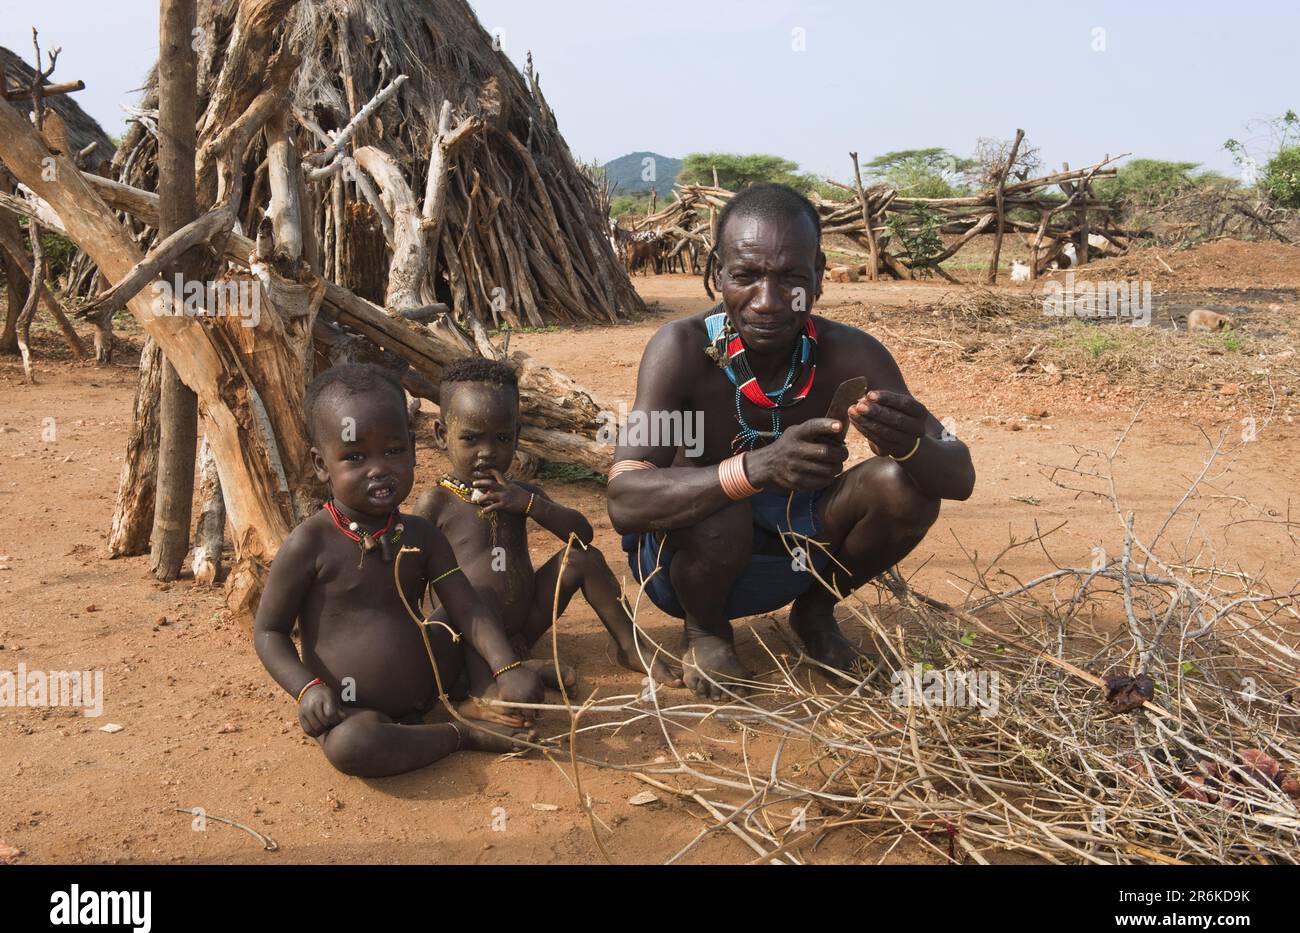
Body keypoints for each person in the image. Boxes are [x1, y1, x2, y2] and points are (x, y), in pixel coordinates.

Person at [607, 183, 976, 700]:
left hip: (802, 549)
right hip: (689, 564)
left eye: (791, 279)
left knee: (903, 486)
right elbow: (624, 501)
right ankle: (706, 629)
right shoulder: (683, 351)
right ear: (716, 272)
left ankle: (816, 610)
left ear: (820, 277)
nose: (767, 302)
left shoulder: (850, 354)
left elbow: (959, 478)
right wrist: (756, 468)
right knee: (722, 501)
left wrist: (912, 443)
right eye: (746, 276)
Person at [254, 363, 544, 777]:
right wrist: (307, 690)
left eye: (393, 451)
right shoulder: (309, 544)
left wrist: (506, 667)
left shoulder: (421, 534)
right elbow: (269, 632)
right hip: (351, 707)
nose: (378, 468)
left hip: (430, 683)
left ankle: (479, 696)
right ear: (322, 465)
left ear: (412, 447)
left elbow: (467, 609)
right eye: (355, 457)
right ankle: (463, 735)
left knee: (479, 594)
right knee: (354, 746)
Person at [411, 358, 681, 689]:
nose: (488, 452)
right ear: (442, 435)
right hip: (471, 632)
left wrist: (530, 505)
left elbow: (582, 535)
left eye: (502, 438)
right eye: (470, 438)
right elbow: (407, 570)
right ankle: (514, 668)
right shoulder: (437, 502)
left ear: (517, 436)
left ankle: (631, 646)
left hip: (526, 622)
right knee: (474, 592)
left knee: (584, 558)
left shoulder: (522, 494)